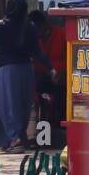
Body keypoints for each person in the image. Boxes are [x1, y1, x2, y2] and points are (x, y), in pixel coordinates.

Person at [0, 0, 53, 152]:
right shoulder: (30, 27)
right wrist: (50, 68)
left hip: (7, 70)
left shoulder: (2, 26)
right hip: (26, 69)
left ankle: (15, 138)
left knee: (5, 105)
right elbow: (37, 51)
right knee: (14, 104)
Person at [28, 10, 65, 147]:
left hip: (61, 76)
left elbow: (70, 55)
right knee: (40, 97)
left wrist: (61, 72)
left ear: (44, 25)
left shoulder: (61, 33)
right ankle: (39, 137)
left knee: (60, 96)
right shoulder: (32, 40)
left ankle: (60, 128)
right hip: (41, 78)